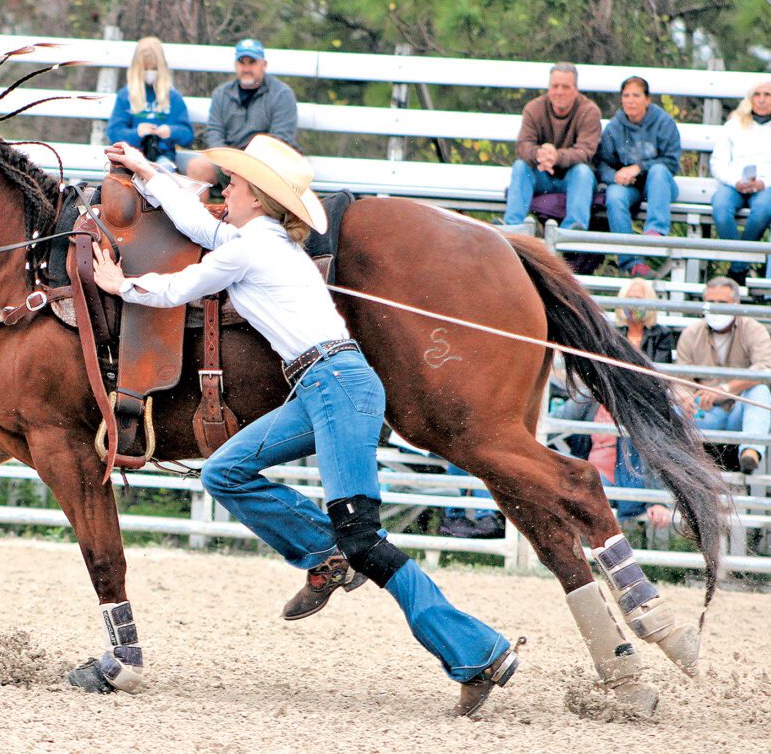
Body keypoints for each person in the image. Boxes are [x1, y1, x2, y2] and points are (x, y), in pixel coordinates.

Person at [92, 135, 521, 717]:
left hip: (334, 385)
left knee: (365, 540)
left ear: (259, 200)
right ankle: (327, 552)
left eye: (236, 186)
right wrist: (145, 171)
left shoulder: (249, 249)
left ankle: (479, 651)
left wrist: (123, 287)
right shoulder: (256, 240)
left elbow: (181, 287)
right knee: (225, 471)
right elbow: (195, 222)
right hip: (323, 384)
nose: (226, 190)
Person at [553, 278, 674, 531]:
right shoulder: (609, 340)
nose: (634, 304)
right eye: (630, 298)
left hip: (638, 412)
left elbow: (658, 378)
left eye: (640, 299)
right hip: (598, 471)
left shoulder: (660, 335)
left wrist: (657, 498)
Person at [676, 276, 771, 474]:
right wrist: (685, 397)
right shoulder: (691, 333)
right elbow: (681, 378)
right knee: (672, 407)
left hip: (739, 411)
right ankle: (679, 467)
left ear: (736, 304)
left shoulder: (753, 329)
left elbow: (765, 368)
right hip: (704, 413)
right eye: (711, 302)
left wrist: (725, 390)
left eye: (722, 303)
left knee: (761, 391)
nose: (716, 308)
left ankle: (751, 450)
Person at [184, 39, 298, 200]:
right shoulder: (221, 94)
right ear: (235, 65)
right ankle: (196, 223)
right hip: (228, 162)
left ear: (264, 64)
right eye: (241, 62)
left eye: (252, 62)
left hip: (263, 165)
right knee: (197, 167)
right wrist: (224, 159)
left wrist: (247, 163)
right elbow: (214, 132)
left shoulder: (282, 94)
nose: (246, 68)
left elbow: (281, 139)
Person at [597, 76, 682, 278]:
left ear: (647, 99)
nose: (630, 100)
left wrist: (639, 168)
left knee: (658, 171)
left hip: (660, 185)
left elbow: (671, 162)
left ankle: (654, 237)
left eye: (636, 95)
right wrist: (616, 176)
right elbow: (602, 163)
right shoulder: (614, 127)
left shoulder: (663, 123)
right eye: (626, 95)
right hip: (630, 187)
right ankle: (630, 261)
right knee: (614, 195)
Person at [503, 62, 602, 231]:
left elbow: (586, 152)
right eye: (555, 86)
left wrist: (556, 156)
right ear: (549, 87)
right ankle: (513, 227)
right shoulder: (533, 108)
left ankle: (572, 230)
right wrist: (539, 153)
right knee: (520, 166)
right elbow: (523, 145)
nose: (559, 92)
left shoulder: (589, 111)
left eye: (566, 87)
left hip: (573, 178)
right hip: (543, 175)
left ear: (576, 89)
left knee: (583, 171)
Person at [710, 79, 771, 286]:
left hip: (765, 185)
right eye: (757, 94)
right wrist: (735, 181)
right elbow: (718, 163)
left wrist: (764, 182)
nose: (762, 100)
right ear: (750, 98)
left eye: (767, 95)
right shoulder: (733, 125)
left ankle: (737, 268)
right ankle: (741, 266)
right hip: (735, 184)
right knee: (720, 207)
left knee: (763, 209)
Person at [105, 37, 194, 172]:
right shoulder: (125, 96)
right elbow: (114, 133)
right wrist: (137, 133)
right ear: (137, 68)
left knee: (163, 173)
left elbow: (188, 136)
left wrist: (171, 131)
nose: (150, 73)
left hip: (163, 159)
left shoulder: (173, 98)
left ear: (161, 67)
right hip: (131, 158)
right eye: (145, 69)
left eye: (154, 68)